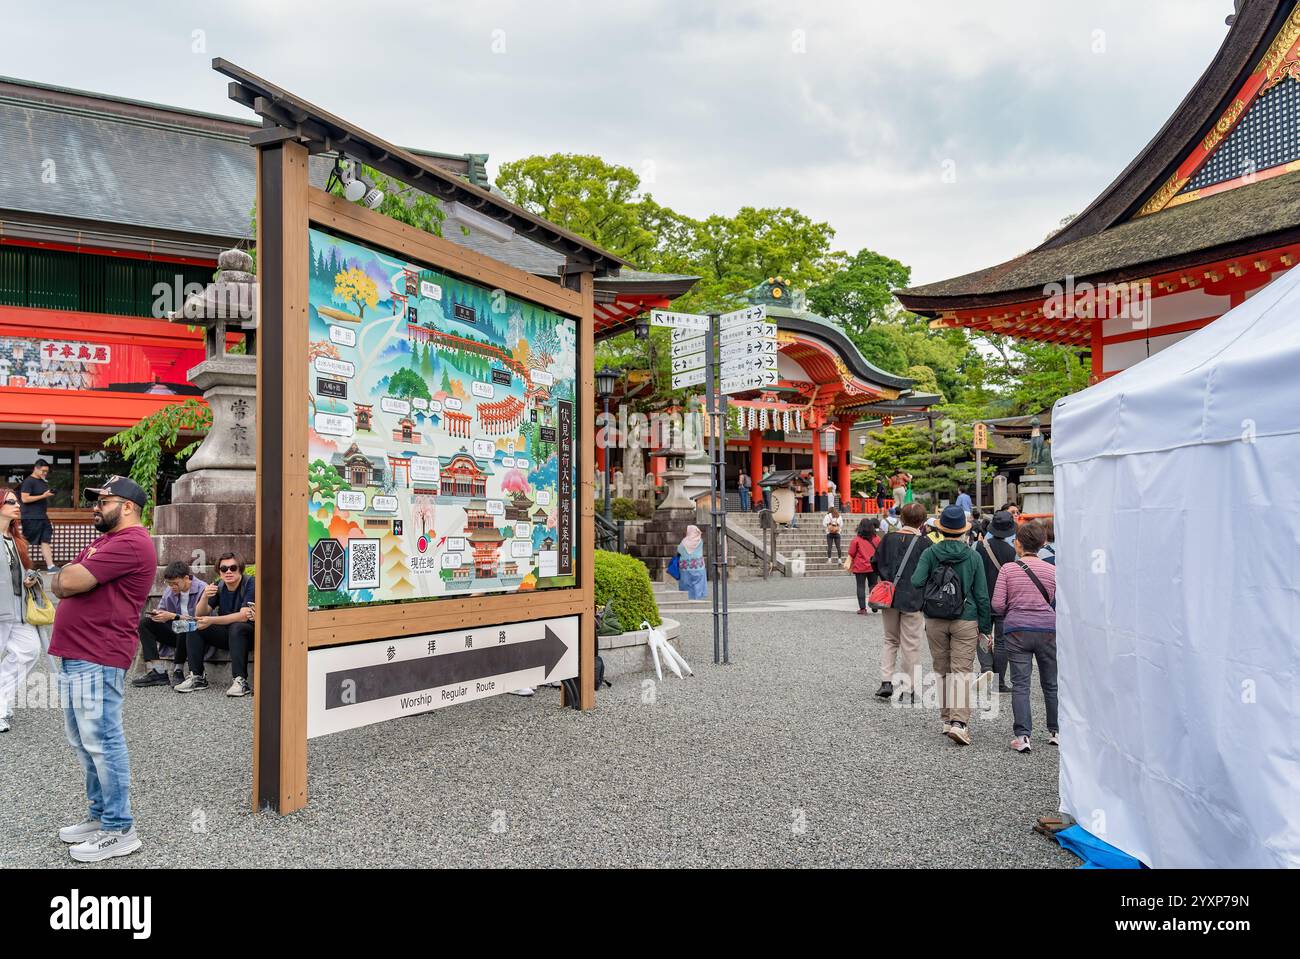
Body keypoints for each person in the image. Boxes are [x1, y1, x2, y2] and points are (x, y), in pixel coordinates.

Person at [49, 475, 157, 862]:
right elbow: (64, 581)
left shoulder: (130, 542)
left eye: (104, 500)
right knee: (84, 741)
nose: (96, 506)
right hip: (80, 653)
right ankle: (100, 817)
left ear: (127, 506)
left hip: (98, 654)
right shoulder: (107, 540)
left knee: (103, 741)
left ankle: (119, 828)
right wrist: (66, 579)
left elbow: (70, 579)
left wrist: (67, 578)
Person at [910, 504, 993, 746]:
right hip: (965, 619)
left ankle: (946, 719)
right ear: (963, 531)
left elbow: (916, 581)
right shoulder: (973, 556)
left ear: (941, 529)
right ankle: (959, 723)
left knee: (942, 669)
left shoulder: (930, 553)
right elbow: (982, 596)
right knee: (962, 671)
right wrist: (985, 628)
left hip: (935, 618)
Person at [991, 520, 1058, 753]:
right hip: (1048, 629)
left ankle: (1023, 736)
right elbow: (1058, 603)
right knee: (1051, 682)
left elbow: (998, 605)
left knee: (1021, 683)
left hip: (1017, 629)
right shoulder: (1053, 570)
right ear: (1042, 543)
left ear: (1018, 544)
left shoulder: (1008, 569)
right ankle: (1056, 731)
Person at [872, 502, 931, 701]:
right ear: (922, 522)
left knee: (890, 639)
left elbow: (875, 562)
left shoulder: (888, 538)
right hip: (914, 598)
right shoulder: (925, 544)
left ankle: (886, 681)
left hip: (889, 596)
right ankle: (909, 685)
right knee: (911, 643)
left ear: (901, 518)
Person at [176, 552, 256, 696]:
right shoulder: (219, 585)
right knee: (196, 625)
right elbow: (200, 614)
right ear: (219, 571)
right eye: (224, 569)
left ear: (240, 569)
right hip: (228, 636)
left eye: (233, 568)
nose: (228, 572)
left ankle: (240, 681)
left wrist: (212, 620)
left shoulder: (250, 583)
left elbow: (244, 616)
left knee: (237, 627)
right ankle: (197, 676)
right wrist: (205, 597)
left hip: (250, 635)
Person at [0, 486, 42, 732]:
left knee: (29, 649)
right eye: (11, 501)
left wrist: (29, 577)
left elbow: (19, 572)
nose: (17, 505)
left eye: (17, 501)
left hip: (17, 607)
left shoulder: (16, 541)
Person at [132, 561, 207, 688]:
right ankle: (157, 671)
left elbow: (201, 620)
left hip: (197, 634)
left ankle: (178, 670)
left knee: (185, 624)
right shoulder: (170, 591)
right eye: (169, 583)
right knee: (145, 623)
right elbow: (163, 610)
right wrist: (158, 615)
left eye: (175, 583)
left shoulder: (202, 588)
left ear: (186, 578)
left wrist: (173, 616)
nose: (172, 587)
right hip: (176, 632)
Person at [974, 510, 1018, 694]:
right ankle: (999, 683)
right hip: (1004, 601)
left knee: (982, 636)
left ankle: (986, 669)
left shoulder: (979, 546)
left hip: (982, 598)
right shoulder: (1012, 552)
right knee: (1002, 642)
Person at [19, 459, 58, 573]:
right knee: (26, 542)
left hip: (42, 516)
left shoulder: (42, 481)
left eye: (47, 471)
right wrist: (43, 495)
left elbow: (42, 496)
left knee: (45, 540)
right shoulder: (28, 481)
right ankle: (22, 565)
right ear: (36, 468)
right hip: (31, 516)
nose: (45, 473)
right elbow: (24, 499)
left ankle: (51, 566)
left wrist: (48, 494)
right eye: (43, 471)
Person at [848, 518, 881, 616]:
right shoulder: (877, 539)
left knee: (860, 586)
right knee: (873, 585)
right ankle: (874, 605)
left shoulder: (856, 540)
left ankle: (863, 609)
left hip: (860, 566)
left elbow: (851, 553)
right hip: (873, 566)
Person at [675, 525, 707, 600]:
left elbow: (679, 550)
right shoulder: (700, 541)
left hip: (685, 567)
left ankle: (687, 599)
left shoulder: (684, 542)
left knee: (686, 584)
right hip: (699, 567)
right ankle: (698, 599)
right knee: (698, 584)